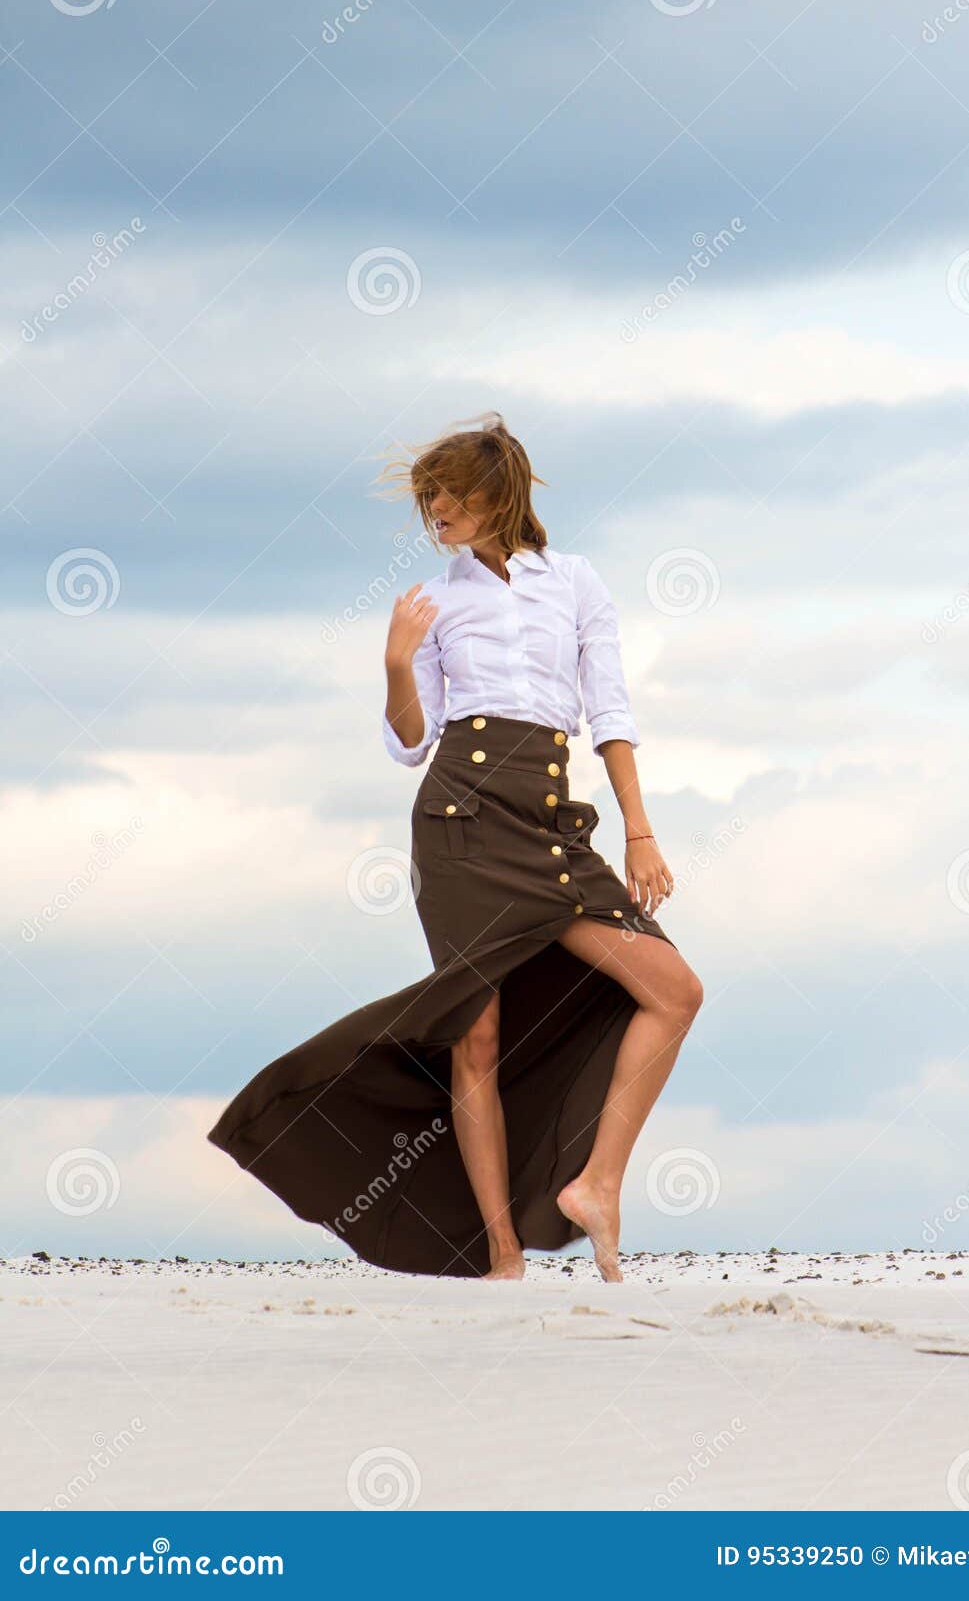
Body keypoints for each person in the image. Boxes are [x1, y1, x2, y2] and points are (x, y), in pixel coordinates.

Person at [207, 414, 703, 1283]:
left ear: (496, 494)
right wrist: (397, 663)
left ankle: (599, 1184)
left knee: (673, 989)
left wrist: (639, 830)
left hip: (550, 819)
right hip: (460, 821)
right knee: (473, 1037)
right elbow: (409, 742)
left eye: (449, 494)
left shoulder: (576, 583)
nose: (434, 508)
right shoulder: (434, 602)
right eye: (426, 496)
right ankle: (501, 1255)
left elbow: (611, 717)